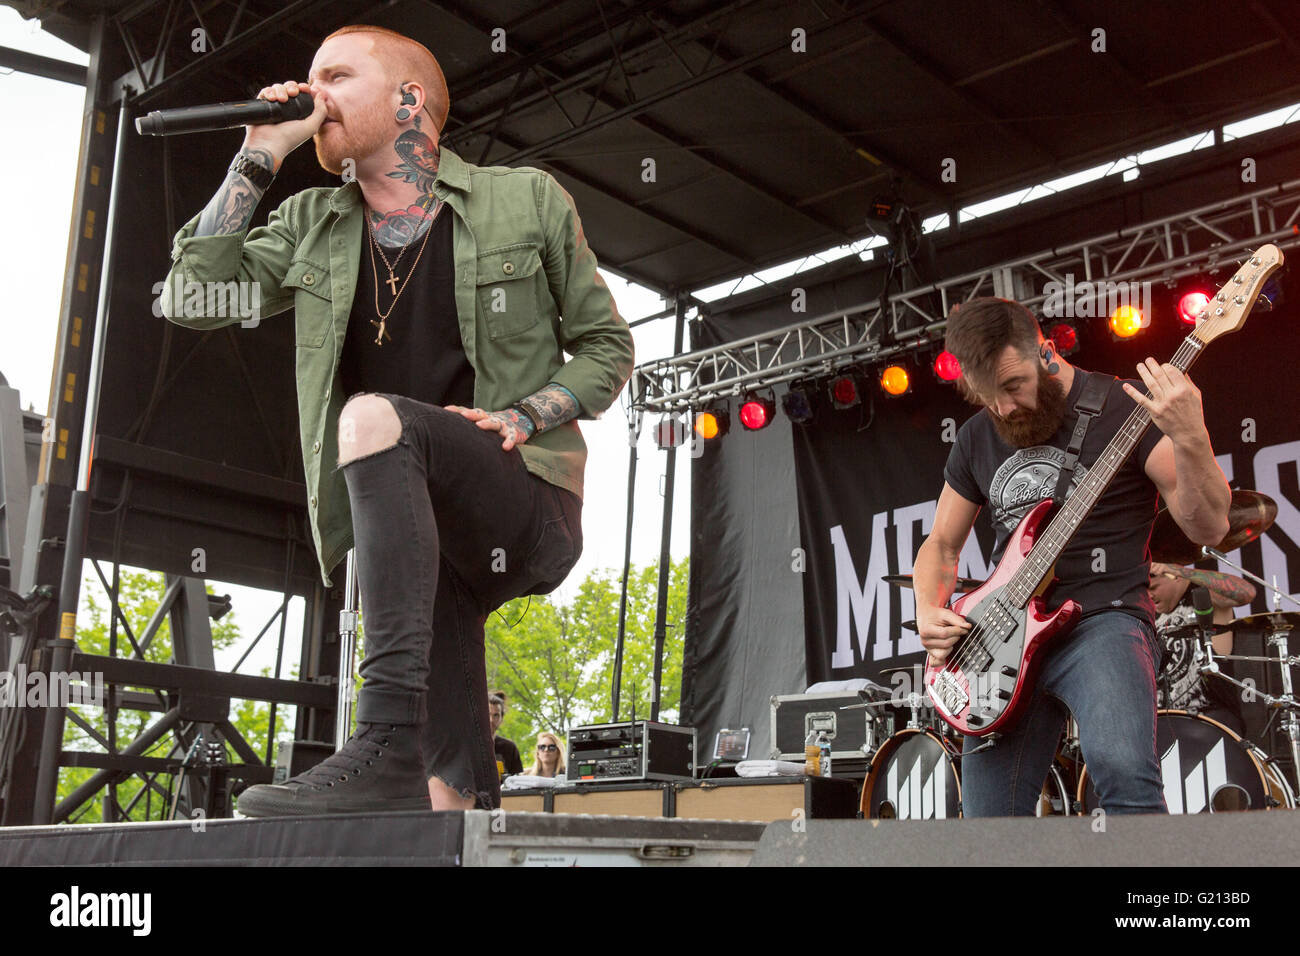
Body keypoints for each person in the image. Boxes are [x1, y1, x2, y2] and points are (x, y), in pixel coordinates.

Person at [159, 25, 633, 815]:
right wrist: (260, 154)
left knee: (375, 418)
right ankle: (448, 793)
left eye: (335, 76)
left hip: (522, 495)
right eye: (308, 78)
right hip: (422, 539)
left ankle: (378, 743)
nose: (311, 94)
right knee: (449, 797)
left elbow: (607, 345)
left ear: (409, 100)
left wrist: (524, 414)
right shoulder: (312, 220)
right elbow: (189, 298)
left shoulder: (525, 198)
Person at [913, 297, 1231, 816]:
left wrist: (1191, 435)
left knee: (1122, 770)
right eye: (987, 395)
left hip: (1104, 618)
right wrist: (930, 609)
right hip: (999, 638)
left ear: (1046, 350)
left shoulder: (1124, 407)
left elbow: (1211, 524)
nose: (1004, 408)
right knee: (988, 823)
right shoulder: (976, 437)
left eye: (1013, 386)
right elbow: (941, 546)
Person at [1147, 563, 1254, 735]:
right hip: (1163, 723)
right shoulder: (1149, 612)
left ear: (1176, 577)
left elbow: (1246, 593)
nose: (1149, 595)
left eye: (1153, 587)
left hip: (1211, 720)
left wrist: (1178, 569)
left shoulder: (1205, 596)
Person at [490, 692, 524, 779]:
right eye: (488, 714)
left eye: (496, 715)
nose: (491, 719)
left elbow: (518, 780)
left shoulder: (509, 748)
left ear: (502, 718)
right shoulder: (469, 747)